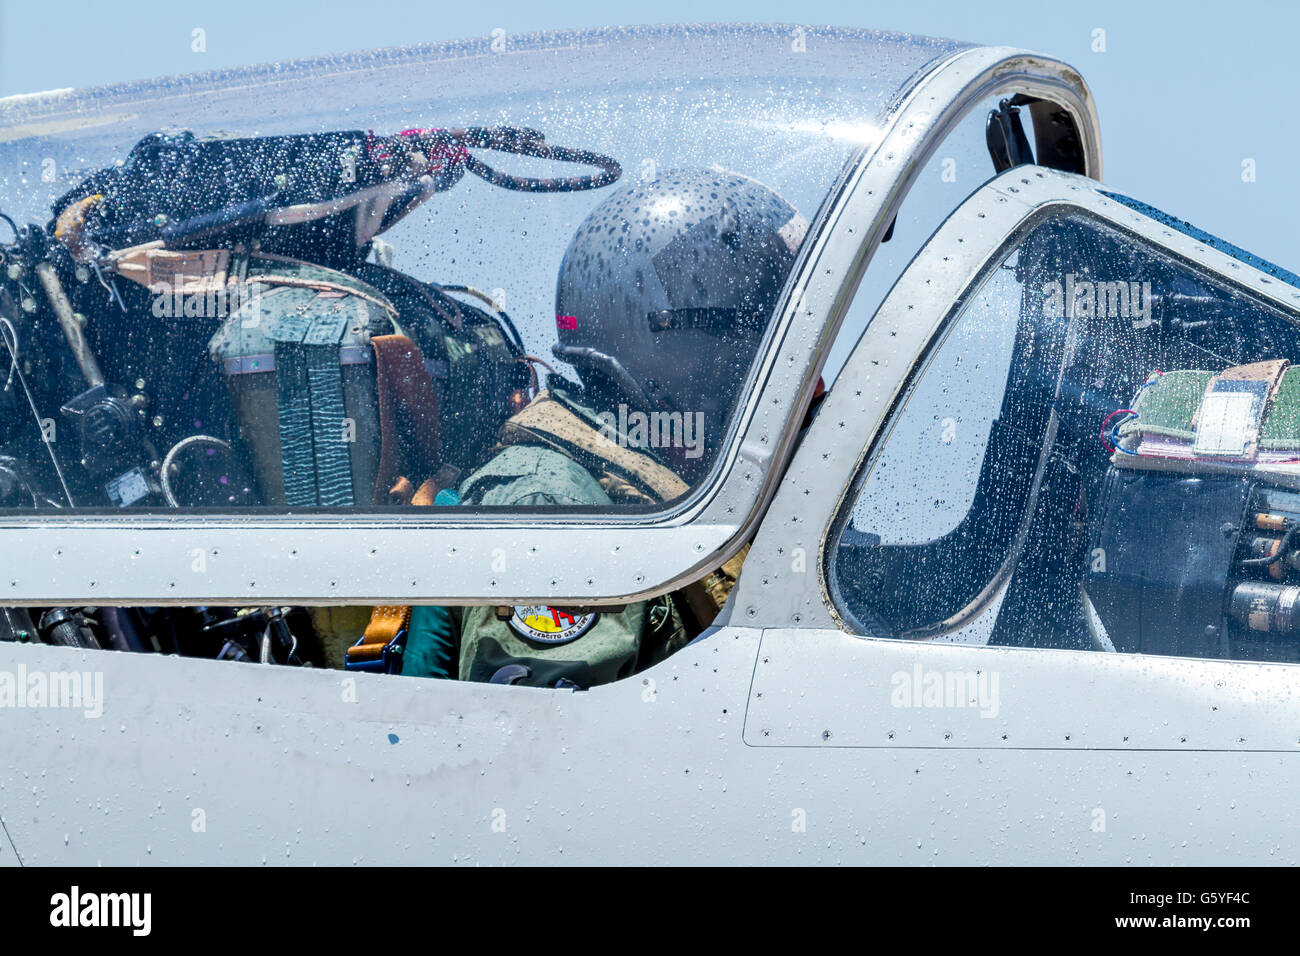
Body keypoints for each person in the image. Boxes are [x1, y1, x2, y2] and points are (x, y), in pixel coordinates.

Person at [399, 166, 807, 687]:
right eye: (770, 349)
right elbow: (540, 755)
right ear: (680, 352)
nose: (812, 386)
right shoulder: (558, 509)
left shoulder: (671, 489)